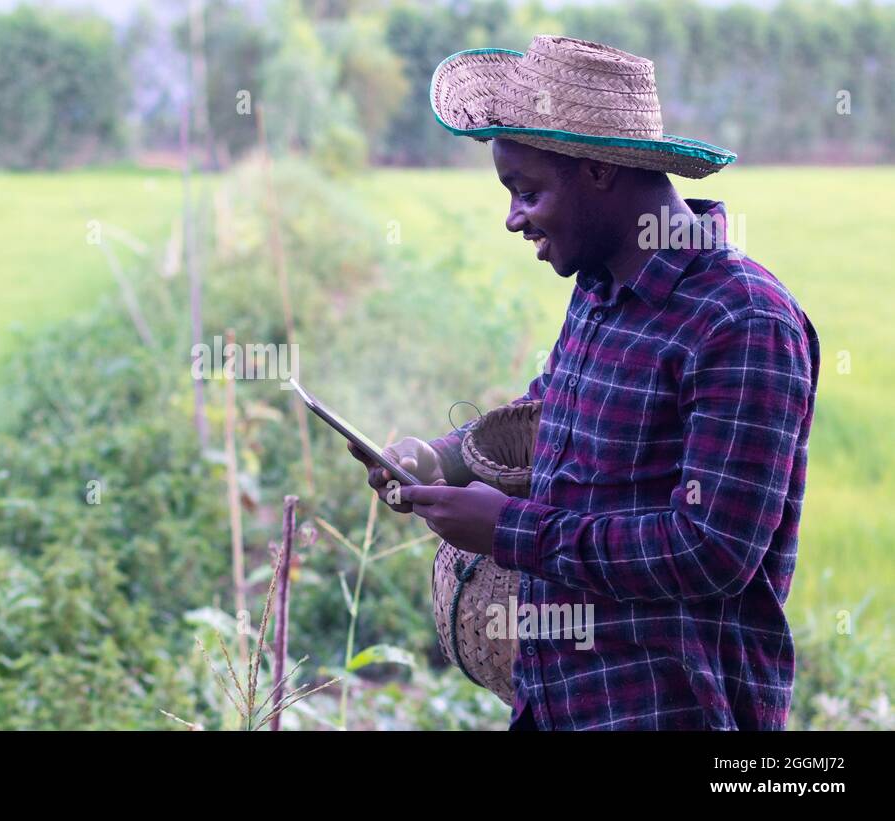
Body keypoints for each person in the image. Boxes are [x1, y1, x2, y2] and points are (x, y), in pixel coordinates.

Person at [348, 36, 819, 730]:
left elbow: (711, 549)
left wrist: (508, 529)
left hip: (674, 710)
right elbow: (546, 417)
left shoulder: (742, 320)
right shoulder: (601, 288)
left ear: (599, 171)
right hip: (561, 698)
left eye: (528, 191)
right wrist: (437, 458)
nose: (514, 218)